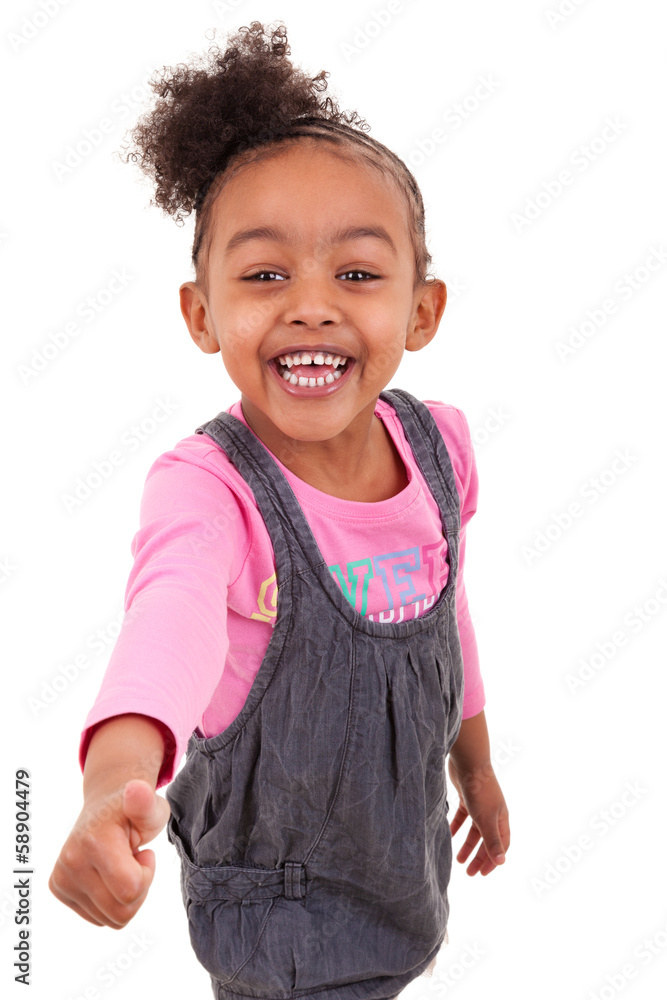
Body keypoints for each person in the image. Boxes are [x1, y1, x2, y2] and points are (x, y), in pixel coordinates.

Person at [49, 20, 510, 1000]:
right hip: (279, 924)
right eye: (264, 274)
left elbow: (447, 604)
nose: (309, 304)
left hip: (399, 878)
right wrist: (110, 789)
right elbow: (162, 634)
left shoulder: (440, 449)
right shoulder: (210, 492)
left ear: (420, 311)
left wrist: (474, 762)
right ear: (201, 313)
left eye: (355, 272)